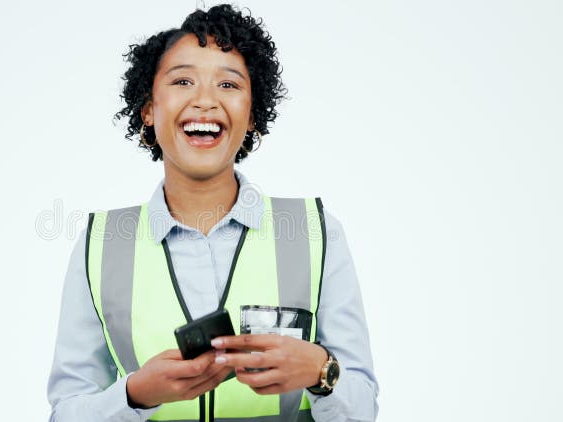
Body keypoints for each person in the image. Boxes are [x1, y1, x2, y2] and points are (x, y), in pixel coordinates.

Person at [46, 4, 378, 421]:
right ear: (148, 109)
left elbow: (362, 409)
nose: (205, 100)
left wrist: (319, 371)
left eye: (228, 84)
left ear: (253, 114)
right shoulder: (100, 244)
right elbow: (67, 413)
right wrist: (135, 395)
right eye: (183, 80)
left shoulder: (316, 232)